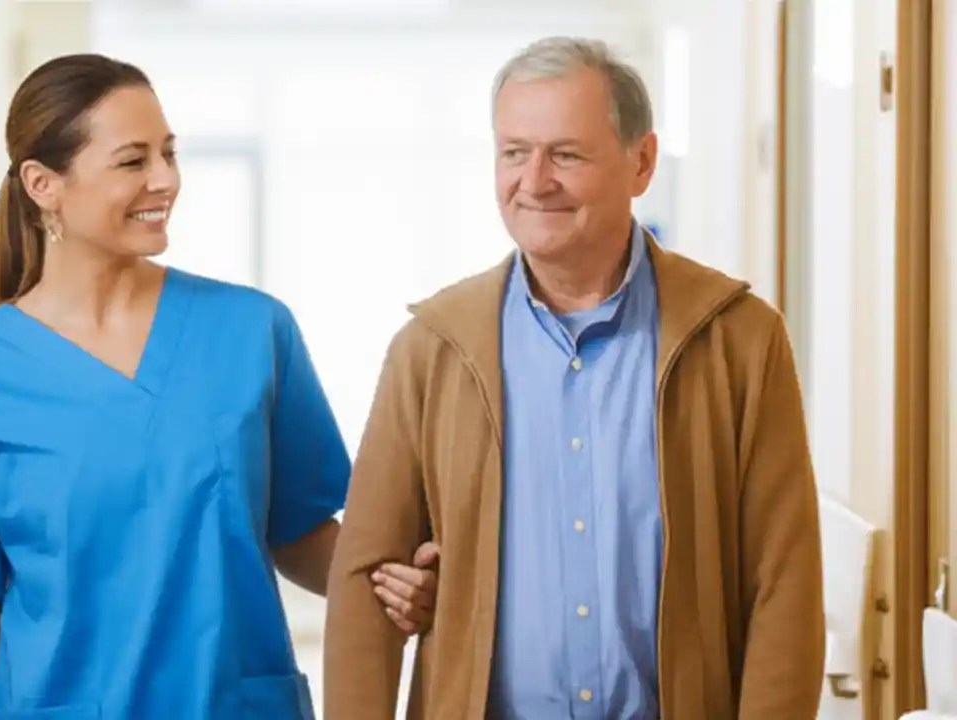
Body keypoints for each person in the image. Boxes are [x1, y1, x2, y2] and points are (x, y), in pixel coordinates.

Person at [0, 53, 439, 720]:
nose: (165, 179)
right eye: (133, 160)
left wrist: (389, 581)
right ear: (43, 184)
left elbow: (296, 531)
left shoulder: (253, 333)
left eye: (169, 153)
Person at [324, 36, 824, 719]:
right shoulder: (432, 349)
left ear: (641, 162)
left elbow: (784, 585)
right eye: (514, 152)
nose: (534, 182)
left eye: (565, 154)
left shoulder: (738, 340)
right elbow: (367, 583)